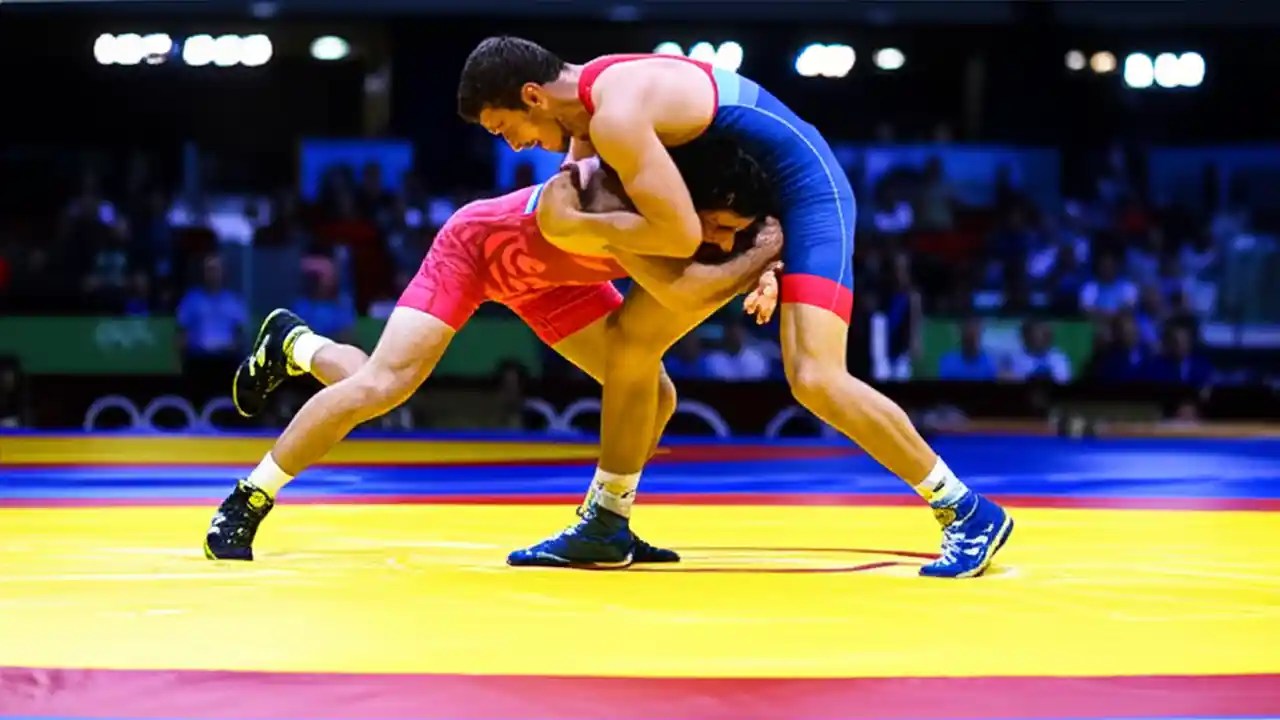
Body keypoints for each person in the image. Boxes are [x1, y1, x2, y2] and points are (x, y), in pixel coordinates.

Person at [457, 37, 1012, 578]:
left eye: (505, 129)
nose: (515, 146)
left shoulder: (613, 116)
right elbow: (601, 186)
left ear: (532, 95)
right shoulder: (592, 100)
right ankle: (607, 518)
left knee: (816, 376)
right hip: (746, 200)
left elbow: (675, 236)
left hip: (807, 197)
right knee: (631, 341)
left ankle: (966, 510)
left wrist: (579, 226)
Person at [204, 135, 783, 563]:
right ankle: (248, 498)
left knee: (655, 392)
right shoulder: (640, 201)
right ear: (695, 205)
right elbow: (683, 289)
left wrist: (762, 269)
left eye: (737, 231)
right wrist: (756, 262)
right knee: (384, 385)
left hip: (556, 281)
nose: (725, 241)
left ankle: (606, 520)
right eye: (720, 227)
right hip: (477, 249)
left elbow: (725, 257)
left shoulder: (705, 219)